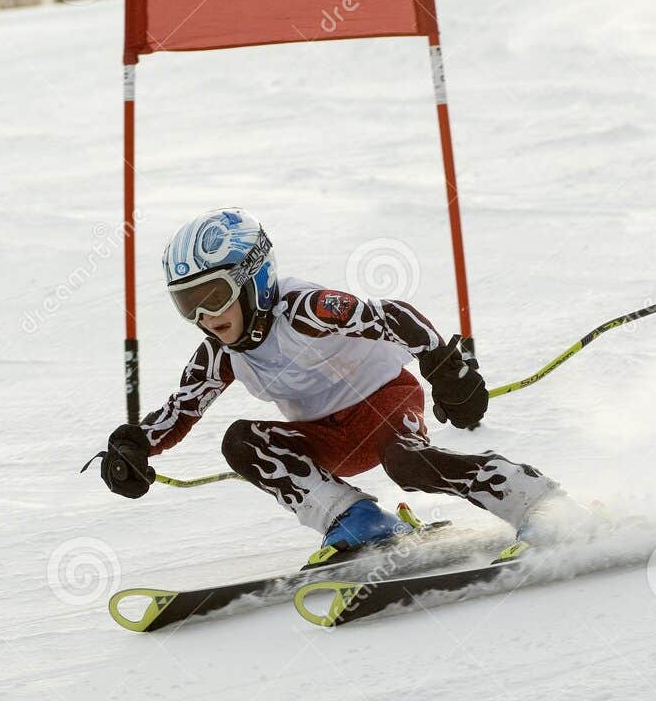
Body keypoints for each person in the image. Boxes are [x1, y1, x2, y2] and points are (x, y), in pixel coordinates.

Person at [94, 207, 576, 557]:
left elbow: (393, 316)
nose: (204, 316)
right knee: (241, 441)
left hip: (383, 404)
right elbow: (182, 409)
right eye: (187, 304)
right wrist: (134, 446)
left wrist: (446, 371)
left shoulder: (303, 311)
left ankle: (536, 501)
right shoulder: (219, 354)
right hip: (328, 437)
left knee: (406, 462)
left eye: (214, 296)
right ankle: (356, 519)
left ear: (253, 278)